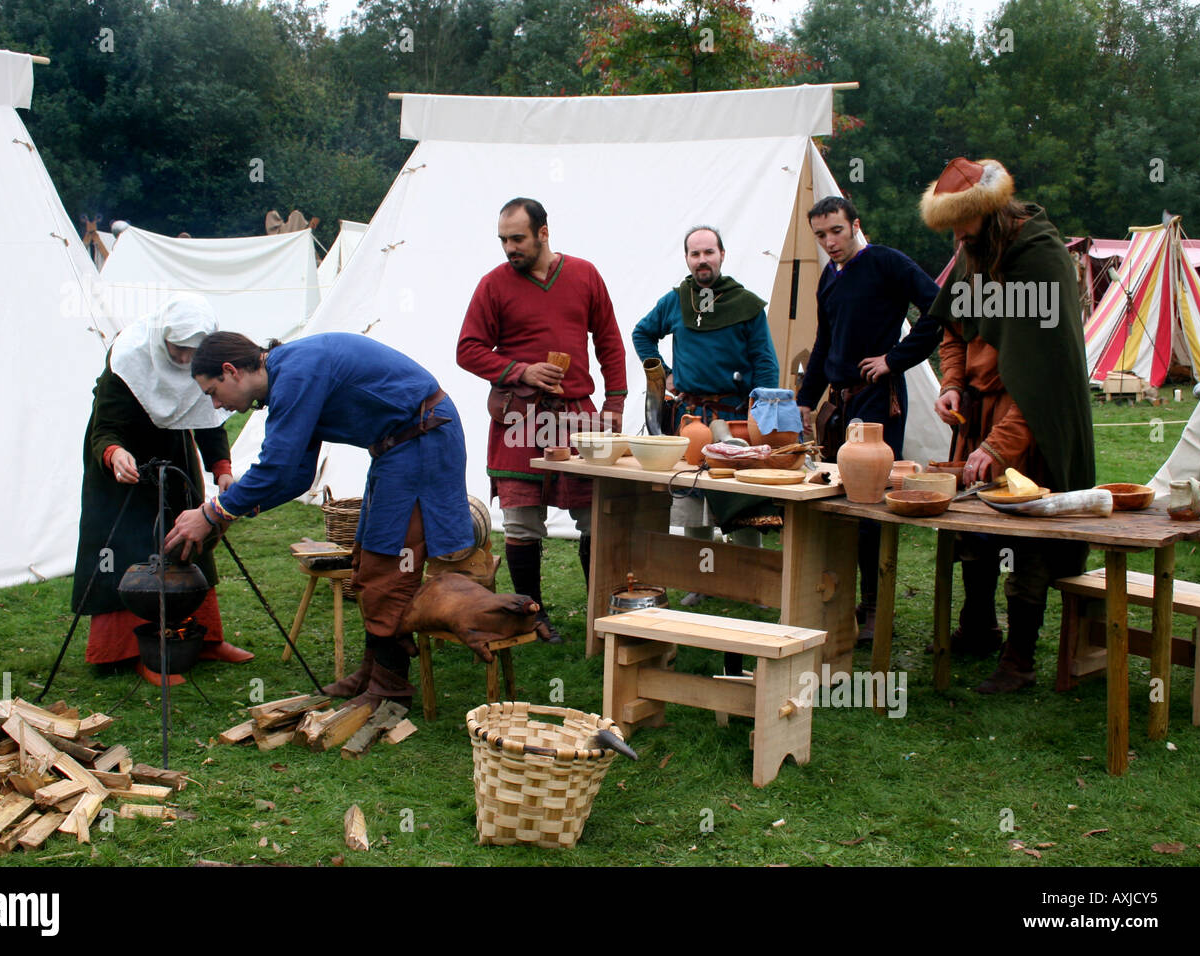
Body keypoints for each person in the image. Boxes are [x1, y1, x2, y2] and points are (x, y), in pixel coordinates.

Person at [164, 331, 474, 708]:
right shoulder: (289, 375)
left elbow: (277, 468)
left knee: (388, 565)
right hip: (397, 449)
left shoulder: (296, 372)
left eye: (213, 391)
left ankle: (390, 689)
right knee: (366, 561)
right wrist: (234, 510)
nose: (216, 403)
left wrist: (213, 512)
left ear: (231, 371)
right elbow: (295, 476)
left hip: (422, 441)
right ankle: (372, 670)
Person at [921, 157, 1094, 692]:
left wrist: (1000, 445)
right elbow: (953, 329)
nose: (957, 234)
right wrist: (950, 383)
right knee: (973, 528)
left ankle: (1019, 661)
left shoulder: (1040, 257)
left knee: (1027, 538)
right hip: (976, 413)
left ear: (990, 212)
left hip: (1028, 421)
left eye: (963, 222)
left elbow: (1044, 377)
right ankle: (978, 628)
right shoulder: (973, 253)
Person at [457, 197, 627, 642]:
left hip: (576, 415)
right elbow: (468, 348)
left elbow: (609, 341)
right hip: (519, 417)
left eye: (518, 239)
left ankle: (598, 613)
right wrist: (520, 370)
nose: (509, 248)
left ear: (543, 233)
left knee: (594, 514)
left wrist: (615, 406)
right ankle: (532, 614)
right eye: (503, 240)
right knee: (521, 519)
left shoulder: (585, 275)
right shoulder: (492, 285)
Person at [71, 294, 252, 687]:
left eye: (193, 352)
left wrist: (221, 467)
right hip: (126, 467)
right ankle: (134, 650)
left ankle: (204, 640)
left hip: (175, 460)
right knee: (129, 550)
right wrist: (115, 454)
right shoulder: (129, 358)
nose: (186, 360)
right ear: (162, 338)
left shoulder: (201, 362)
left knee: (189, 538)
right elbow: (105, 428)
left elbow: (207, 417)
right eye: (178, 350)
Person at [797, 196, 943, 643]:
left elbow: (938, 309)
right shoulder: (828, 277)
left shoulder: (885, 262)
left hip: (878, 403)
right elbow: (824, 343)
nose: (830, 242)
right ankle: (845, 600)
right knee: (838, 506)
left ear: (855, 225)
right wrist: (806, 400)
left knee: (869, 509)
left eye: (836, 231)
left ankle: (877, 609)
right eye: (821, 235)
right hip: (840, 406)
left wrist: (894, 360)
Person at [632, 224, 780, 610]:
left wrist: (760, 417)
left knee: (742, 499)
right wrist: (662, 373)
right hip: (690, 418)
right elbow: (642, 333)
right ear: (687, 259)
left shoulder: (745, 304)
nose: (702, 260)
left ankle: (754, 580)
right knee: (694, 501)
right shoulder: (676, 300)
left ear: (722, 255)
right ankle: (703, 580)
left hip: (733, 417)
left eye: (708, 252)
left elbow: (765, 363)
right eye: (695, 254)